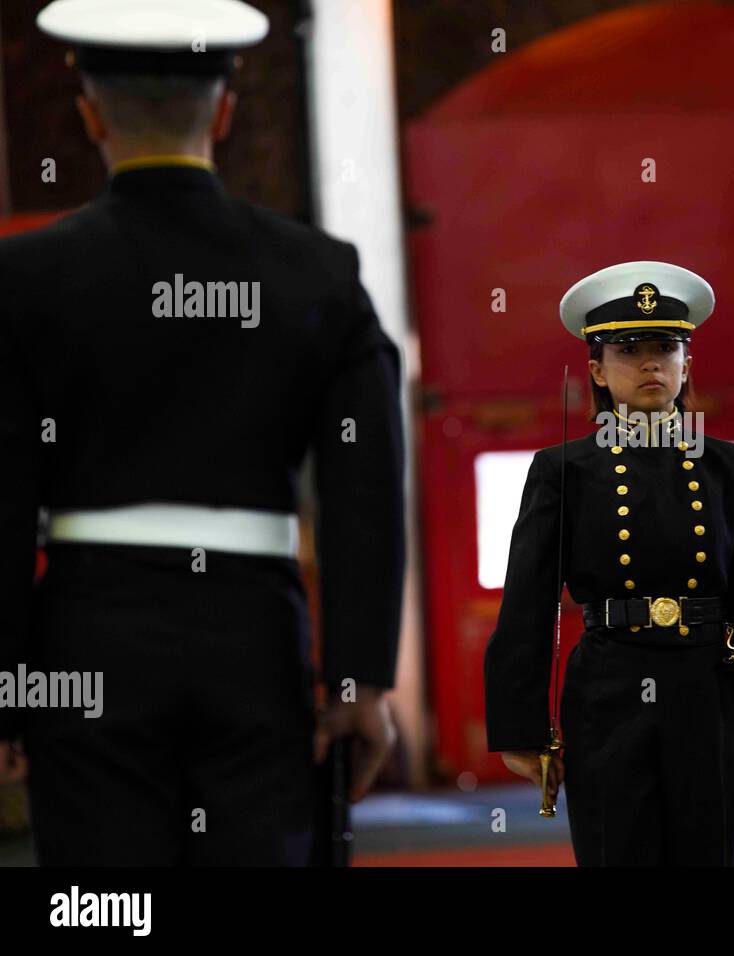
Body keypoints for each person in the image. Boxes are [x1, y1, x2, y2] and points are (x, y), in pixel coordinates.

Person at [0, 0, 405, 865]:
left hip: (86, 639)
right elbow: (363, 485)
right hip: (254, 642)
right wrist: (359, 678)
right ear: (223, 112)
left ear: (89, 114)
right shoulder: (320, 274)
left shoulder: (23, 279)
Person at [484, 261, 734, 865]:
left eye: (665, 347)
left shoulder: (733, 469)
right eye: (629, 350)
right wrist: (520, 727)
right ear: (596, 369)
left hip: (711, 694)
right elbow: (527, 602)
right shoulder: (563, 470)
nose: (651, 363)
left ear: (687, 363)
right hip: (609, 691)